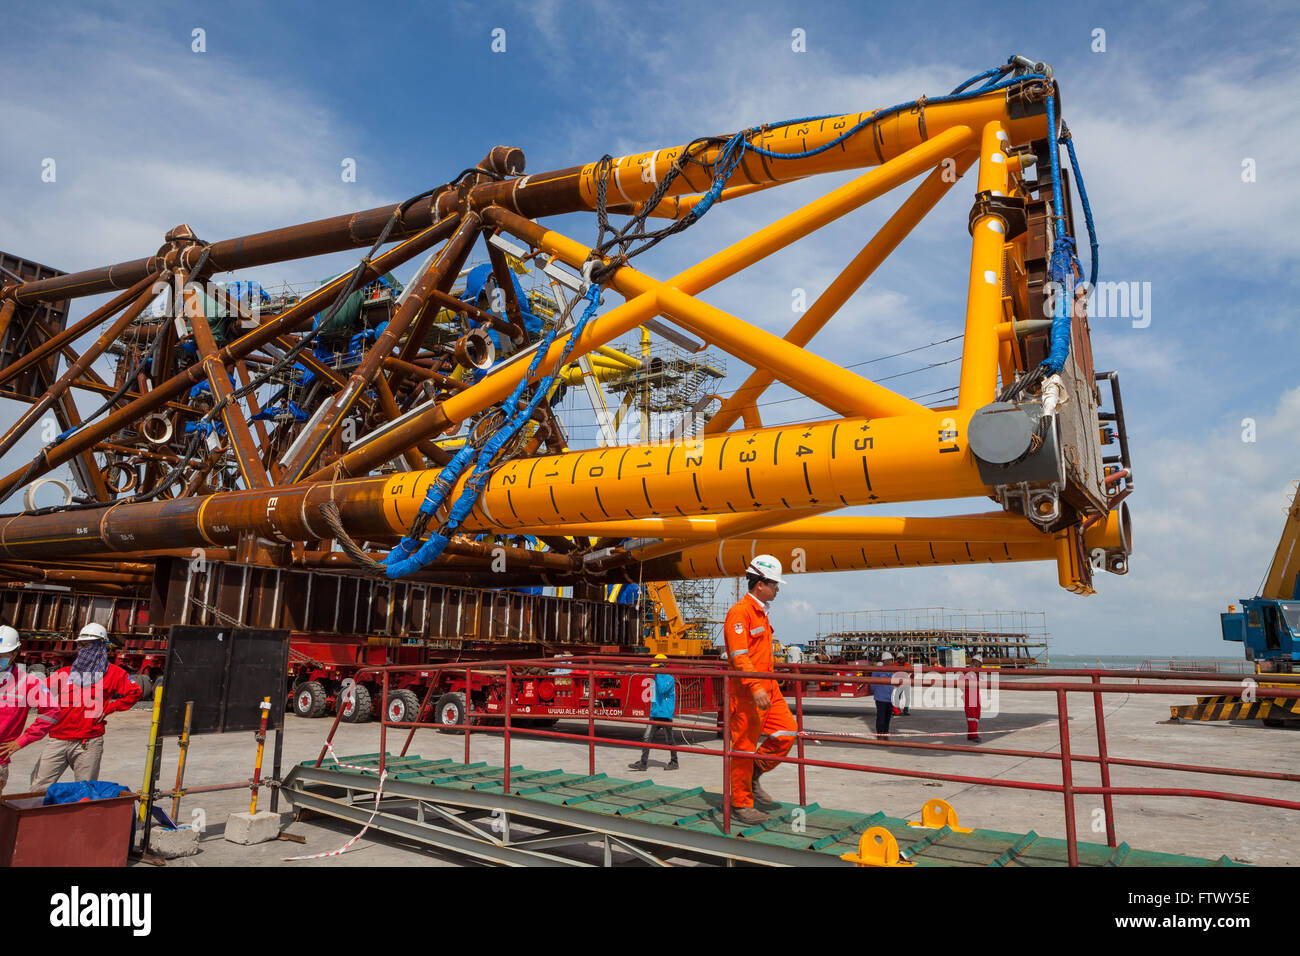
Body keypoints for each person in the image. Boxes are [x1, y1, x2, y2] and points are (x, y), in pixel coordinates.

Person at [722, 554, 797, 824]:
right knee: (743, 746)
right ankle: (741, 803)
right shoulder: (739, 613)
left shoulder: (761, 613)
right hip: (748, 693)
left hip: (769, 687)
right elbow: (740, 656)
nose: (777, 589)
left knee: (787, 732)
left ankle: (754, 771)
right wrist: (755, 686)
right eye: (774, 584)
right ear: (760, 584)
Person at [30, 622, 141, 789]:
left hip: (88, 742)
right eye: (81, 645)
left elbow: (135, 692)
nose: (83, 649)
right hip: (58, 739)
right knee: (38, 787)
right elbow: (37, 693)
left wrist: (110, 708)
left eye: (87, 645)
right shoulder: (65, 673)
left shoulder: (113, 673)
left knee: (85, 790)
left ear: (101, 647)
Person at [0, 625, 60, 793]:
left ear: (13, 654)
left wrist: (22, 741)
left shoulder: (28, 683)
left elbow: (52, 711)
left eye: (1, 655)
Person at [628, 654, 679, 771]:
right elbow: (655, 696)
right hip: (656, 713)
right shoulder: (657, 678)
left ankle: (674, 762)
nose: (654, 669)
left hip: (665, 714)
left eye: (656, 667)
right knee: (647, 737)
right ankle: (643, 763)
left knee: (669, 740)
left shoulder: (669, 679)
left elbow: (662, 690)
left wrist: (658, 674)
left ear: (662, 666)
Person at [872, 652, 897, 738]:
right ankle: (879, 734)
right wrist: (876, 693)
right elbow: (872, 684)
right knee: (881, 718)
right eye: (889, 660)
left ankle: (886, 732)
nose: (890, 662)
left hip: (889, 698)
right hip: (880, 698)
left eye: (891, 660)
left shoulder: (892, 671)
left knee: (887, 717)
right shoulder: (877, 671)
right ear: (884, 661)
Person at [963, 654, 983, 743]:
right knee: (972, 716)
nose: (977, 666)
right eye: (975, 663)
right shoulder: (966, 671)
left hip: (976, 696)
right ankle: (973, 735)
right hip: (969, 697)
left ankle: (972, 734)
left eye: (979, 664)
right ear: (972, 662)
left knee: (977, 715)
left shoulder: (978, 673)